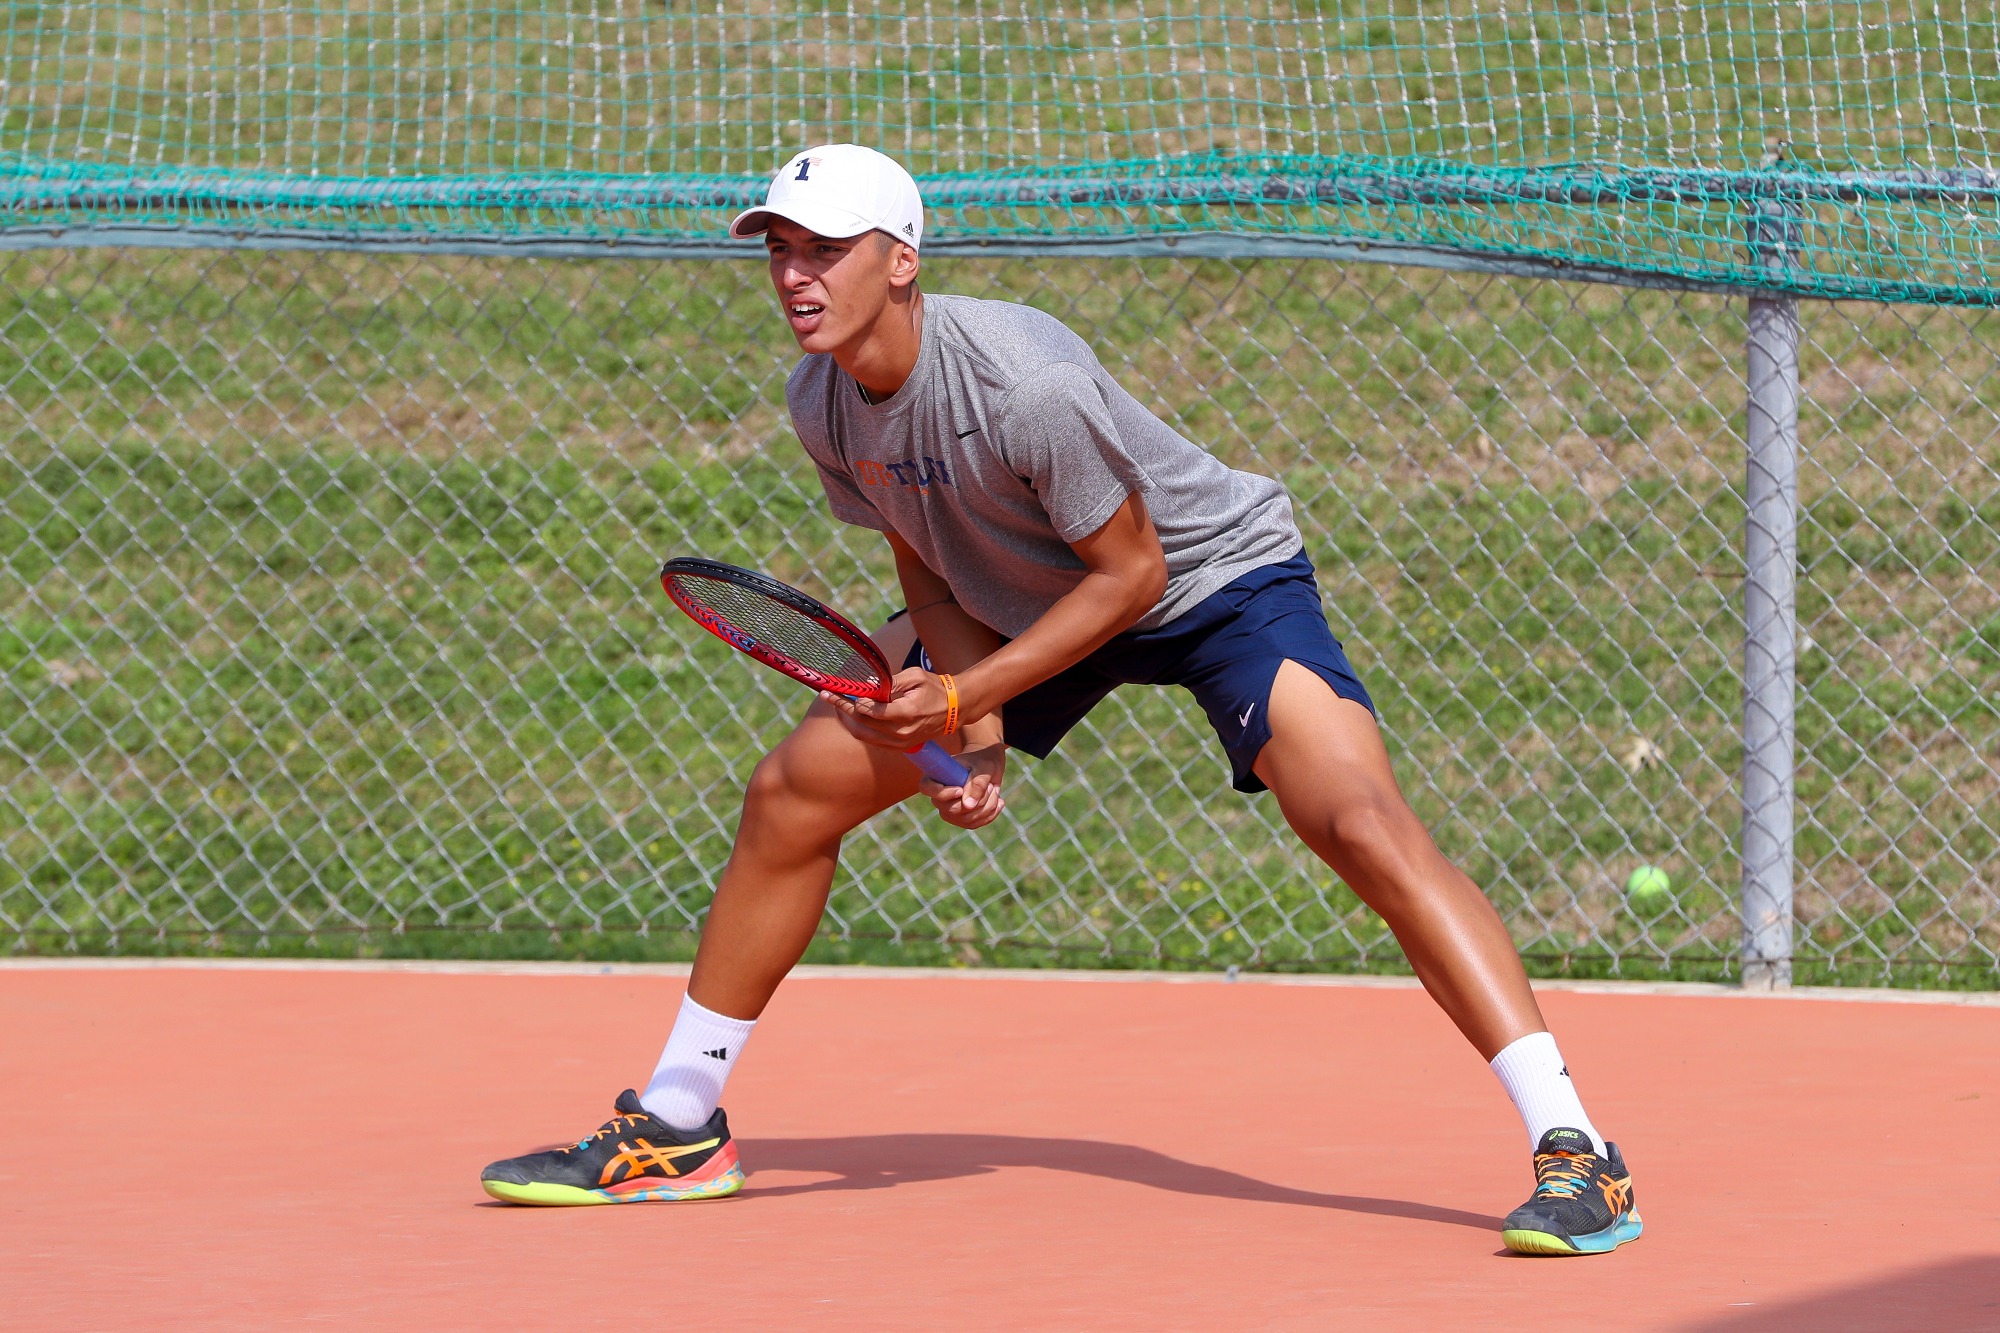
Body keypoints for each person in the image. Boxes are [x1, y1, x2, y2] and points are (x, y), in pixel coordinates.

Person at [480, 144, 1642, 1257]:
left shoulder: (1020, 382)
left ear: (899, 259)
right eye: (778, 247)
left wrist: (959, 693)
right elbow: (924, 550)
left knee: (1355, 820)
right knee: (792, 792)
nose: (793, 273)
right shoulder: (821, 400)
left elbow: (1131, 574)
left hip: (1208, 583)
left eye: (824, 248)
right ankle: (680, 1122)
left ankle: (1575, 1149)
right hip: (1017, 597)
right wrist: (969, 727)